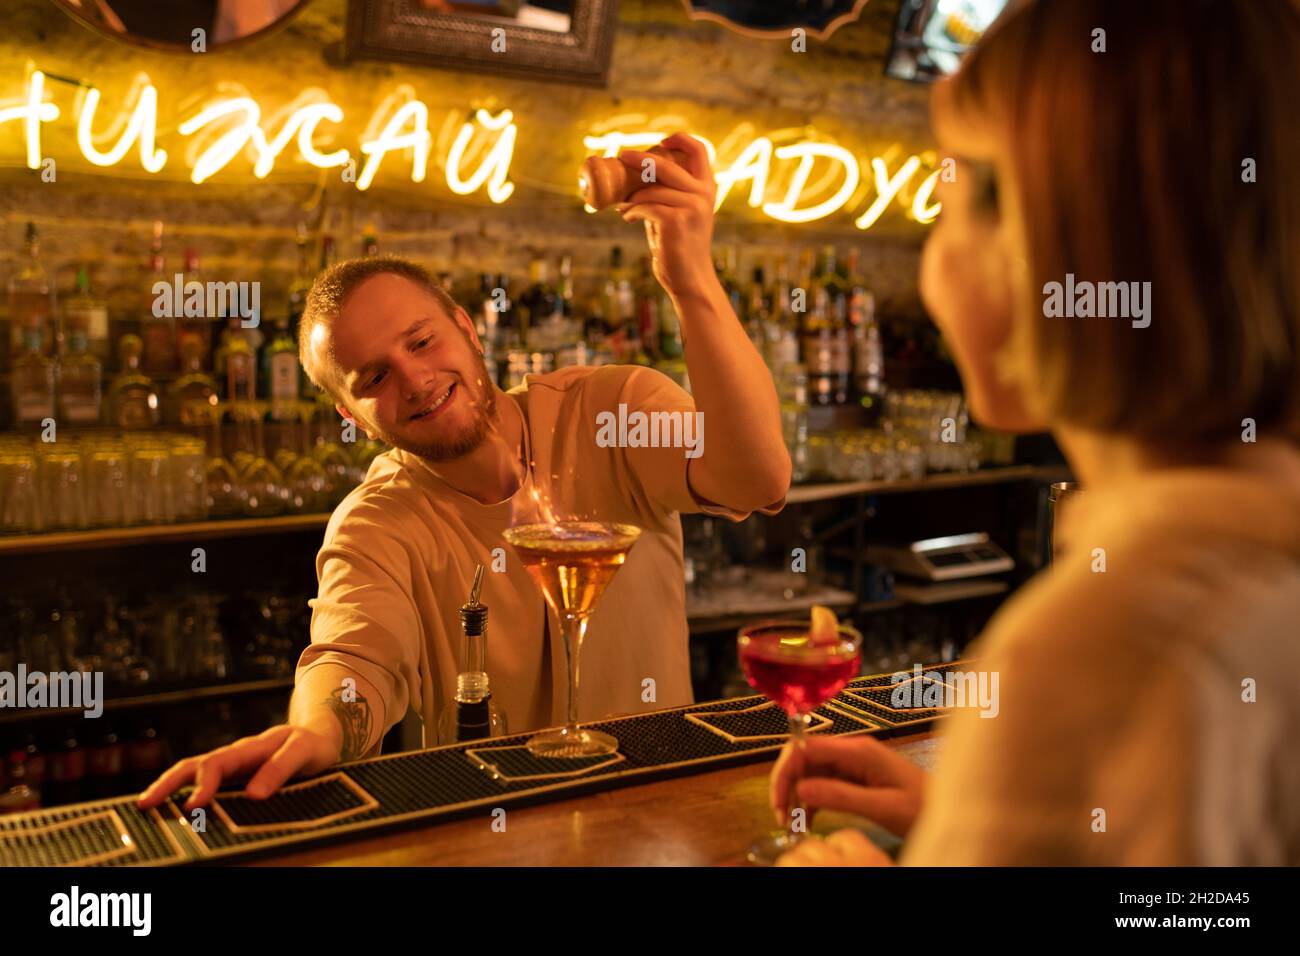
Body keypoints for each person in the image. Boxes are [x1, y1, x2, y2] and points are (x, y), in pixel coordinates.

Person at [771, 0, 1300, 865]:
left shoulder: (1099, 652)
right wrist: (978, 816)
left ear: (1067, 251)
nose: (934, 259)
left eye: (954, 192)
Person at [138, 132, 790, 813]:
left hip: (662, 815)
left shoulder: (613, 409)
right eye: (375, 376)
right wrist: (319, 728)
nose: (416, 379)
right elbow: (355, 657)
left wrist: (691, 280)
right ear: (351, 415)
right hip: (493, 833)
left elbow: (758, 480)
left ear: (467, 328)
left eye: (422, 342)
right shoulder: (377, 521)